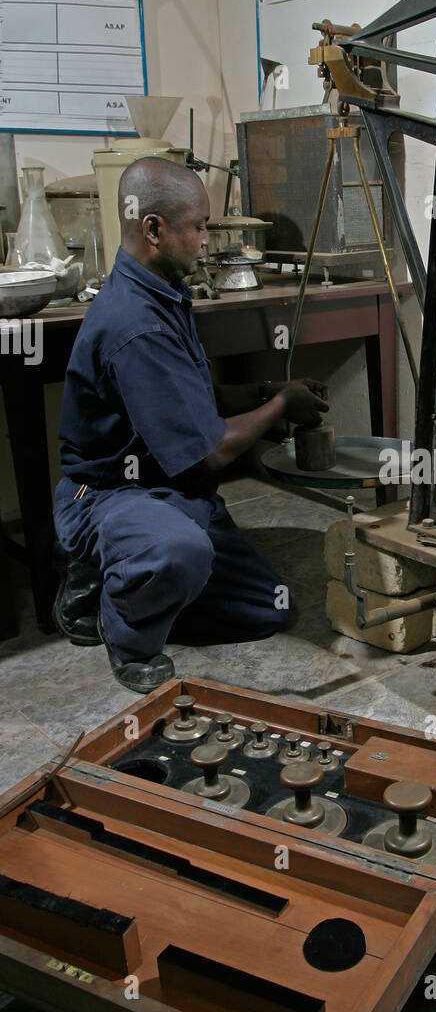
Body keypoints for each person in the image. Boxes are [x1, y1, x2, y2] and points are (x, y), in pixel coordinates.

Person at [53, 157, 328, 692]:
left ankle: (132, 578)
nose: (206, 239)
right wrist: (281, 408)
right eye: (198, 226)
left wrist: (266, 392)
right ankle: (122, 625)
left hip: (170, 489)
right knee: (179, 554)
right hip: (110, 495)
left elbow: (188, 399)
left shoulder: (161, 289)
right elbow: (209, 453)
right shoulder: (134, 323)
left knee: (267, 608)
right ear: (152, 228)